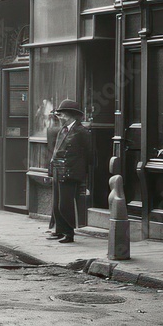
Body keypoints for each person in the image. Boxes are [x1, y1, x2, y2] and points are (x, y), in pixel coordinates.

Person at [47, 99, 91, 244]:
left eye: (62, 115)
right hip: (59, 171)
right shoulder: (63, 130)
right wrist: (51, 170)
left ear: (71, 115)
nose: (60, 117)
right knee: (56, 204)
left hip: (71, 172)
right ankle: (60, 230)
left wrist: (84, 173)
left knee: (64, 204)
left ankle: (69, 232)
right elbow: (55, 152)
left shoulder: (81, 131)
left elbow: (89, 154)